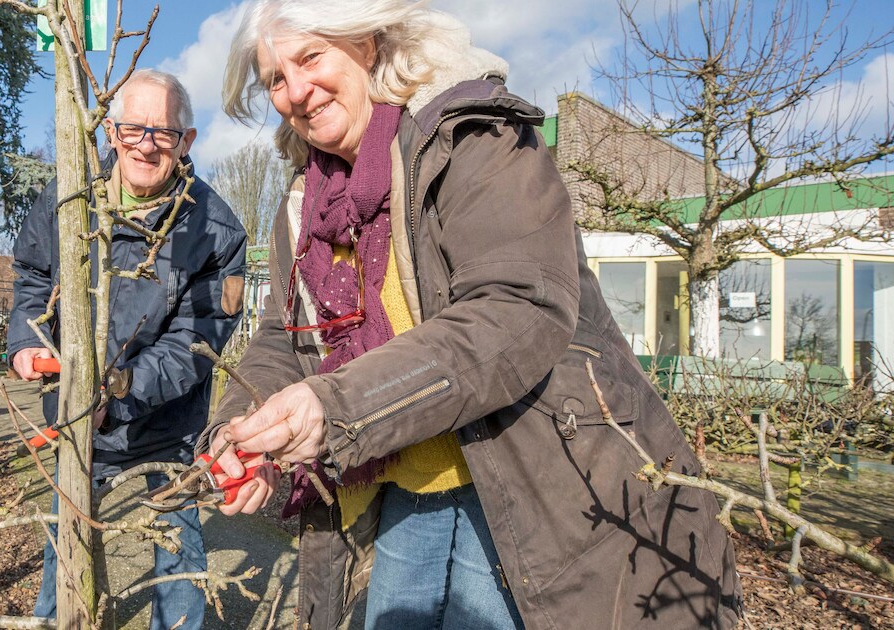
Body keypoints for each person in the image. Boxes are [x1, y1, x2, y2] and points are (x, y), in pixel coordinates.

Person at [201, 2, 743, 628]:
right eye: (273, 77)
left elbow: (516, 310)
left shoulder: (468, 136)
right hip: (403, 490)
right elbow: (278, 338)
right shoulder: (306, 199)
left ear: (368, 45)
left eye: (309, 57)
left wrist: (336, 407)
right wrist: (241, 432)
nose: (295, 90)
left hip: (532, 479)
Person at [7, 69, 247, 629]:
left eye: (163, 133)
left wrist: (117, 389)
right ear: (110, 132)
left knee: (177, 540)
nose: (145, 144)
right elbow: (33, 276)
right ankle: (58, 619)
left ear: (186, 142)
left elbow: (197, 338)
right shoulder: (69, 194)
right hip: (76, 415)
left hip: (167, 418)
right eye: (132, 128)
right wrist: (26, 339)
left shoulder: (217, 230)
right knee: (65, 539)